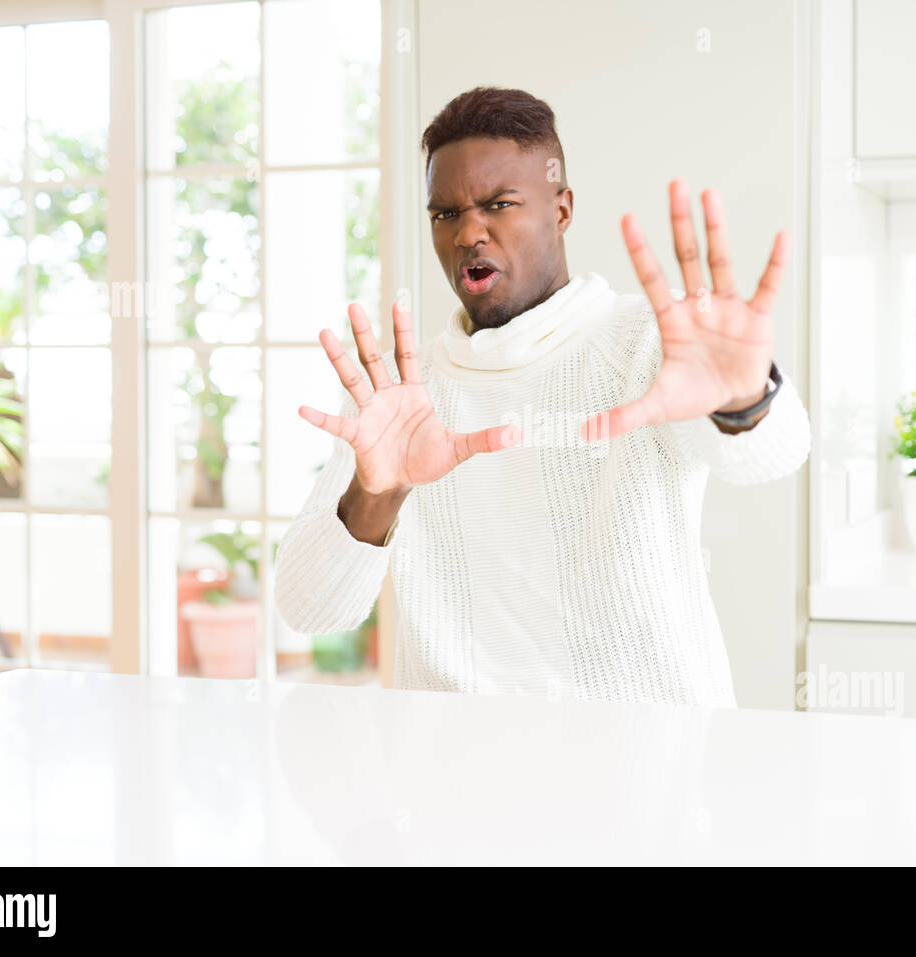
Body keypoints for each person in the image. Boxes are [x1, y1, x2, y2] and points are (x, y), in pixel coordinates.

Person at [273, 87, 810, 708]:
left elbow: (775, 456)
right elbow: (308, 608)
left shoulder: (650, 342)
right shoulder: (398, 397)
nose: (468, 231)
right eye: (444, 214)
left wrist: (744, 396)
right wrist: (379, 491)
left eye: (498, 204)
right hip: (456, 780)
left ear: (561, 209)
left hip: (646, 774)